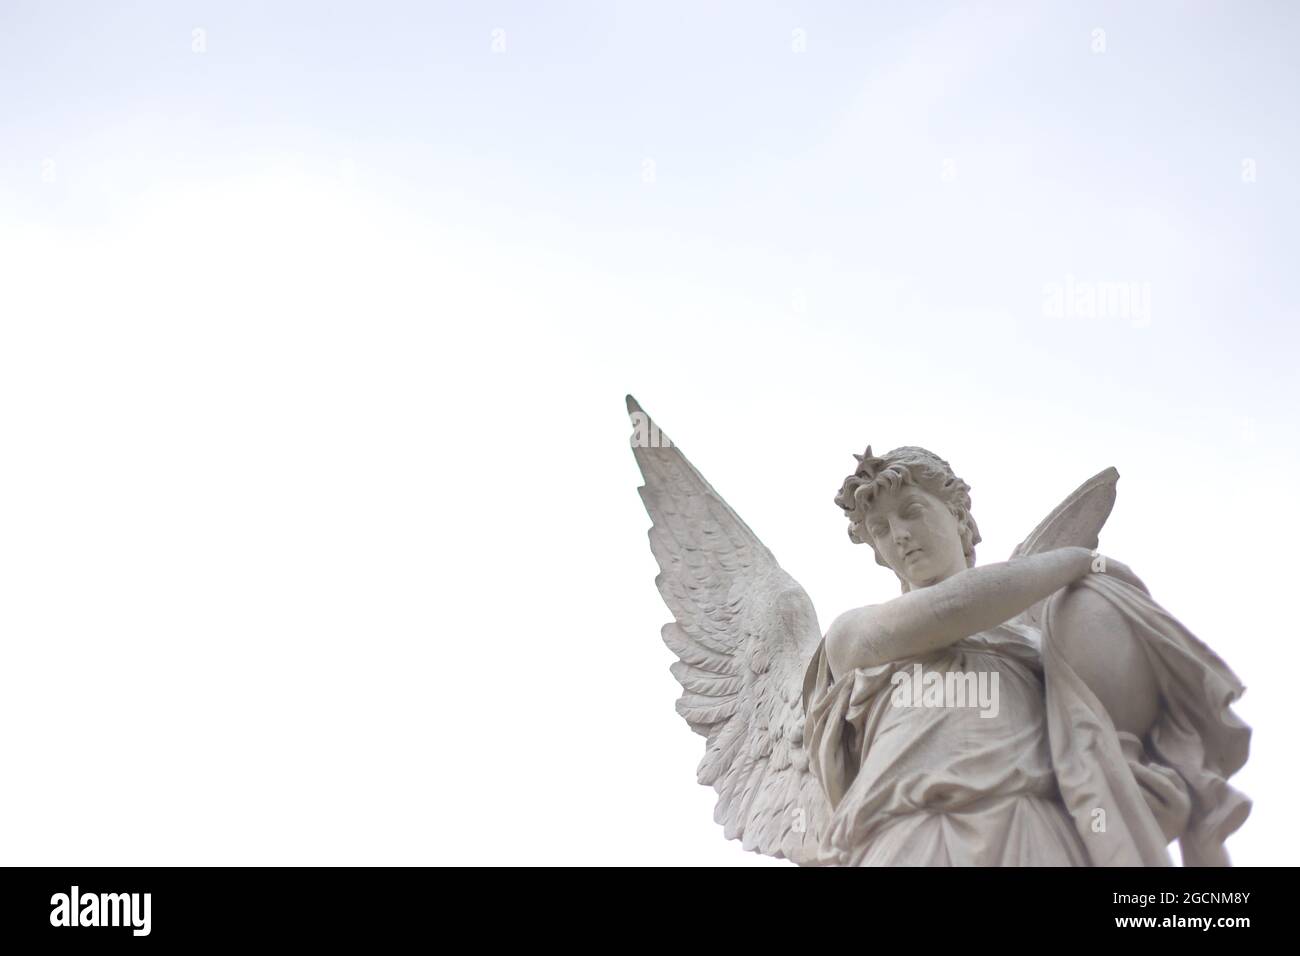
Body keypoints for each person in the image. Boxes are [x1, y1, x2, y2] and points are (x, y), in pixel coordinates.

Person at [802, 446, 1250, 866]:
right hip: (906, 832)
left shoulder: (1039, 643)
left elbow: (1097, 733)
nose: (899, 535)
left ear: (961, 518)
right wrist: (1079, 561)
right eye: (880, 529)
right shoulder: (854, 635)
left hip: (1037, 825)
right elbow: (951, 607)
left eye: (912, 512)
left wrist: (1128, 779)